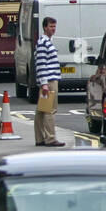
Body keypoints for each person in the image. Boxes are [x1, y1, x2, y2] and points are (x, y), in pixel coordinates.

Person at [34, 16, 65, 147]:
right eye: (51, 26)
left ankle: (40, 138)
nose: (53, 29)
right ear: (45, 27)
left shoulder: (46, 41)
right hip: (49, 81)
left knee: (42, 110)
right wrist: (44, 83)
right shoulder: (43, 43)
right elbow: (41, 64)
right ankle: (51, 138)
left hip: (49, 79)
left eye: (54, 26)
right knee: (49, 110)